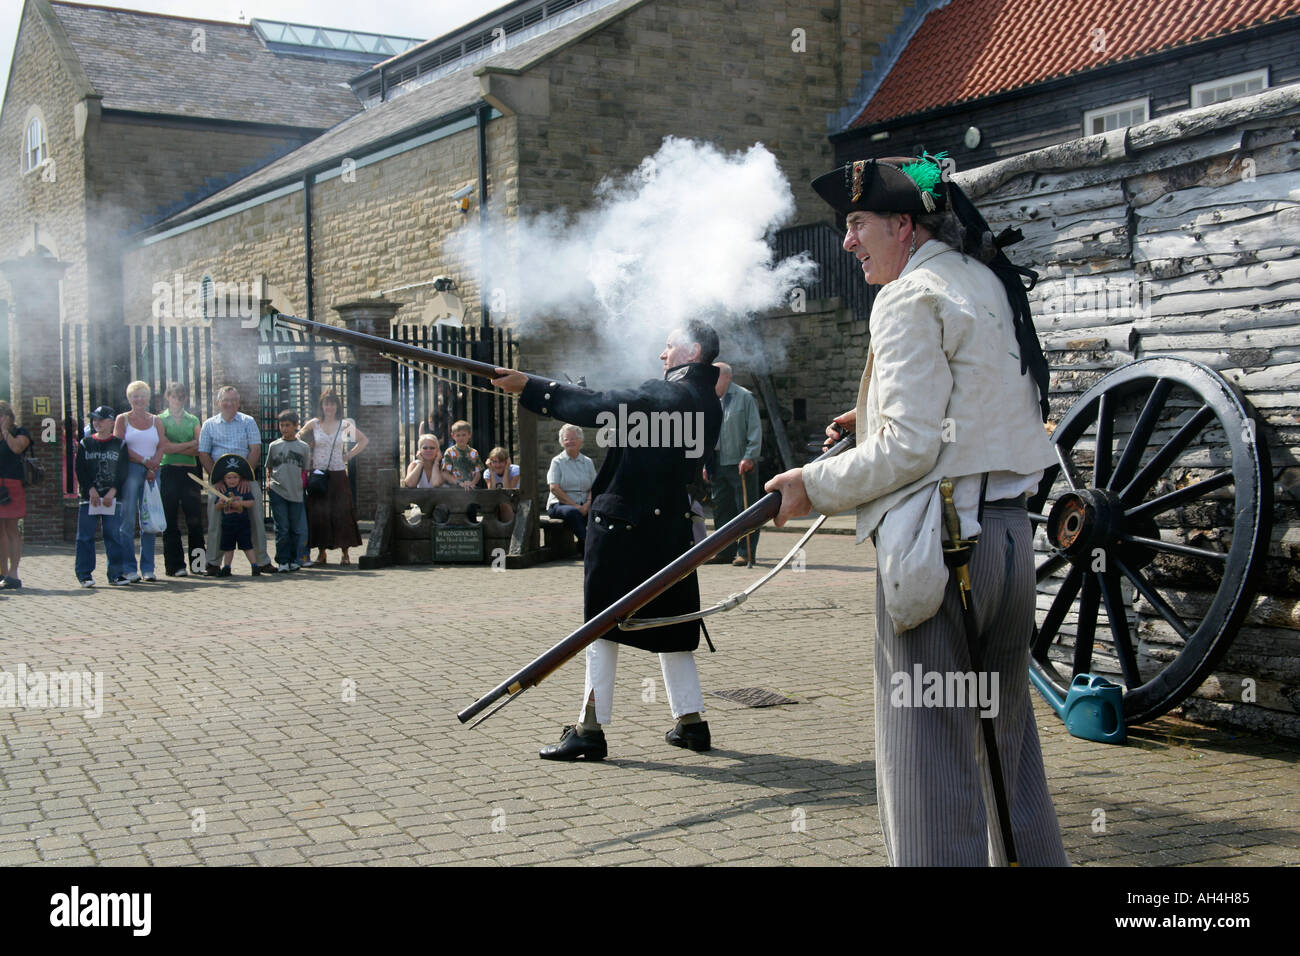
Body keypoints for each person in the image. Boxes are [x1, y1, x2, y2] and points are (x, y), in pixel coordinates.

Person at [765, 154, 1067, 866]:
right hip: (1009, 544)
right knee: (1007, 752)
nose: (847, 241)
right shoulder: (982, 280)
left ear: (902, 225)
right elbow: (974, 399)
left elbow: (907, 448)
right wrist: (867, 412)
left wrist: (814, 482)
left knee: (927, 761)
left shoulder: (905, 298)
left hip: (942, 551)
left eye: (857, 224)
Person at [492, 321, 723, 760]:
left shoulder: (671, 393)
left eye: (669, 346)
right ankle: (692, 723)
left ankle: (589, 728)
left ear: (692, 351)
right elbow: (623, 406)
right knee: (670, 624)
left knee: (600, 626)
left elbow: (607, 406)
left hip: (625, 527)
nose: (662, 353)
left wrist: (535, 389)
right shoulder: (704, 399)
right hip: (668, 528)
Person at [198, 385, 275, 575]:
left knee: (256, 519)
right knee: (215, 521)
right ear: (218, 402)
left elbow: (255, 449)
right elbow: (203, 453)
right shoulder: (209, 425)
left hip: (246, 480)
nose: (229, 403)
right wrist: (216, 479)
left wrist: (245, 476)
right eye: (225, 400)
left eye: (233, 400)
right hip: (218, 483)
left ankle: (262, 561)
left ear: (238, 402)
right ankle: (213, 563)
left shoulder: (248, 422)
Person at [299, 389, 367, 566]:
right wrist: (309, 453)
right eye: (326, 403)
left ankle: (345, 553)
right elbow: (298, 438)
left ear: (337, 406)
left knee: (342, 512)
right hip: (319, 472)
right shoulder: (314, 424)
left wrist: (348, 456)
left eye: (332, 403)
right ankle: (321, 553)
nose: (329, 407)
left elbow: (363, 440)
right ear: (322, 405)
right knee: (319, 513)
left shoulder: (343, 425)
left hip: (337, 472)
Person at [705, 361, 762, 566]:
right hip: (717, 463)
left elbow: (755, 430)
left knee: (744, 508)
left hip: (740, 462)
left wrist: (750, 456)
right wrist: (705, 463)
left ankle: (745, 552)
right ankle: (723, 551)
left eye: (714, 376)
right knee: (721, 510)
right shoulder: (711, 399)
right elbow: (708, 434)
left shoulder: (745, 397)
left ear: (727, 377)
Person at [113, 381, 166, 583]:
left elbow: (162, 444)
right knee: (126, 520)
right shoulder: (122, 419)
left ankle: (148, 568)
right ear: (129, 399)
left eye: (142, 395)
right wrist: (144, 462)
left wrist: (154, 465)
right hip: (131, 471)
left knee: (149, 521)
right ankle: (129, 568)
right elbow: (120, 446)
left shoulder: (156, 421)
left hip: (153, 472)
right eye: (135, 396)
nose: (139, 400)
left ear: (148, 398)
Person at [74, 405, 130, 587]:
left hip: (112, 498)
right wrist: (90, 489)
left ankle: (116, 574)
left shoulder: (120, 444)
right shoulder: (85, 443)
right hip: (89, 498)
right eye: (94, 419)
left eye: (100, 419)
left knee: (113, 535)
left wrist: (113, 491)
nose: (96, 422)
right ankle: (84, 575)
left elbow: (123, 471)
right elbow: (80, 470)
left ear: (111, 422)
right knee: (85, 536)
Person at [157, 382, 203, 577]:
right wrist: (188, 444)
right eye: (174, 396)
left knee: (195, 519)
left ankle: (199, 564)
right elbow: (164, 447)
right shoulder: (159, 419)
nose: (178, 400)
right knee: (170, 519)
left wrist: (177, 446)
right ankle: (175, 566)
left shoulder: (193, 419)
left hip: (190, 472)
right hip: (168, 471)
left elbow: (199, 448)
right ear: (168, 397)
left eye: (181, 396)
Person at [266, 410, 311, 572]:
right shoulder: (274, 446)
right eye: (282, 425)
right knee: (282, 527)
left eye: (288, 425)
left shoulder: (303, 447)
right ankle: (282, 560)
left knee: (295, 528)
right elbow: (269, 467)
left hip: (296, 492)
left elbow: (305, 470)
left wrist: (301, 485)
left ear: (295, 426)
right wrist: (268, 483)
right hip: (278, 490)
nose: (284, 428)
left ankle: (294, 559)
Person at [543, 424, 596, 545]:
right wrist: (576, 506)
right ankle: (586, 544)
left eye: (573, 438)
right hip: (559, 505)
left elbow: (594, 486)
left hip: (584, 503)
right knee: (573, 512)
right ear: (562, 442)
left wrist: (587, 504)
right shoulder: (557, 461)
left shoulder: (587, 462)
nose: (570, 442)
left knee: (600, 511)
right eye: (566, 439)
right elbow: (554, 488)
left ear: (580, 440)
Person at [0, 399, 32, 589]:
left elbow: (16, 448)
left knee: (12, 529)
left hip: (11, 486)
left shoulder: (20, 433)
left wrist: (5, 432)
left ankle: (14, 573)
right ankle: (2, 572)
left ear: (8, 417)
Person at [211, 455, 258, 577]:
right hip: (227, 524)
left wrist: (240, 503)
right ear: (224, 479)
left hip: (242, 524)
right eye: (229, 477)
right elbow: (216, 507)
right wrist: (221, 503)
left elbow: (251, 502)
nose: (232, 480)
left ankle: (254, 566)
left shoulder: (243, 490)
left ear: (240, 478)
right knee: (228, 548)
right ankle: (227, 567)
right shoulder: (222, 492)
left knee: (247, 546)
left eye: (235, 477)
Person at [440, 420, 481, 489]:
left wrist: (472, 483)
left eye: (464, 435)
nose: (461, 438)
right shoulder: (449, 452)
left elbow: (478, 473)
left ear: (469, 435)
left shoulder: (474, 453)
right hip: (454, 488)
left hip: (471, 487)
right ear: (453, 436)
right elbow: (445, 473)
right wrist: (458, 483)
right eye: (458, 435)